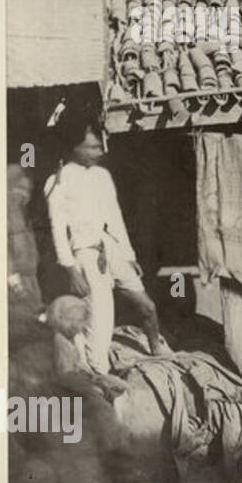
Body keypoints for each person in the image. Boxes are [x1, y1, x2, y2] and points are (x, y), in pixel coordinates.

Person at [43, 121, 168, 375]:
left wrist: (129, 255)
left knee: (148, 307)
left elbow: (115, 217)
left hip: (111, 248)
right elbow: (58, 229)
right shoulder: (58, 181)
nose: (99, 153)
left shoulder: (102, 176)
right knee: (100, 329)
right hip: (86, 256)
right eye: (91, 148)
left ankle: (157, 348)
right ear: (74, 148)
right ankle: (97, 379)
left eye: (99, 147)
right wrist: (71, 270)